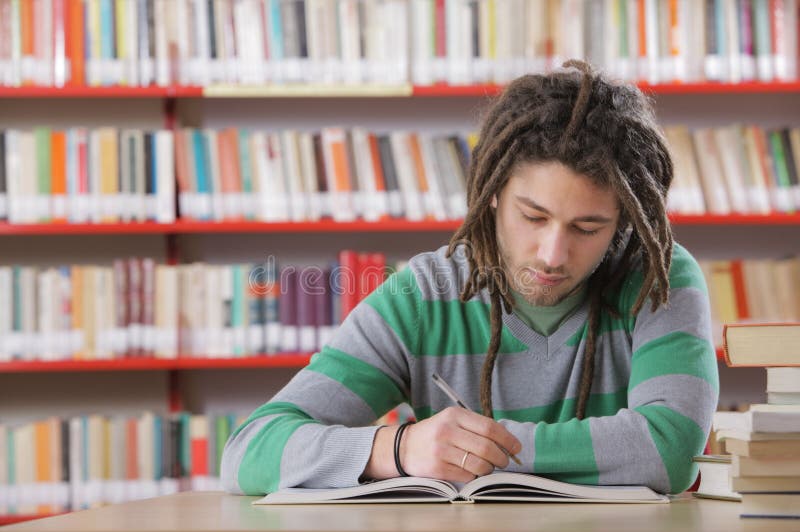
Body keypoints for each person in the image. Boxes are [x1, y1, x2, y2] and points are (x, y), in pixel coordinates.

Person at [221, 61, 719, 496]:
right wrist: (398, 449)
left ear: (623, 224)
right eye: (533, 216)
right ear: (494, 193)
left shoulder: (659, 278)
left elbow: (668, 448)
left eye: (587, 228)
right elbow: (248, 451)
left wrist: (471, 452)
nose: (552, 254)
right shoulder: (422, 297)